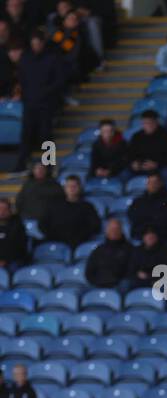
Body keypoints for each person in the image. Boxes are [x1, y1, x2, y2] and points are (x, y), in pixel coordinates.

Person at [16, 30, 66, 168]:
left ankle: (49, 164)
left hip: (46, 104)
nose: (36, 46)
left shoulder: (52, 58)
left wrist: (46, 92)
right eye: (34, 44)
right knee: (26, 134)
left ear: (43, 44)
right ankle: (22, 164)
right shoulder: (25, 58)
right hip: (29, 103)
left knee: (46, 135)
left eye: (38, 43)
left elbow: (60, 80)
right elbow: (22, 78)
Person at [39, 174, 100, 248]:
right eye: (69, 186)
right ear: (65, 188)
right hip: (55, 242)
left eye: (74, 186)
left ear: (80, 188)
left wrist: (79, 238)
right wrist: (53, 237)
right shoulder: (54, 205)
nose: (71, 188)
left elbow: (95, 226)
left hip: (79, 244)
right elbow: (42, 224)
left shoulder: (87, 207)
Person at [126, 109, 167, 176]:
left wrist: (157, 164)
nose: (148, 125)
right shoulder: (137, 136)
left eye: (150, 122)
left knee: (166, 172)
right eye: (145, 123)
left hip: (160, 167)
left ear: (156, 122)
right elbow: (130, 153)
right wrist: (133, 163)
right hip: (141, 167)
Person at [126, 171, 167, 241]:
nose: (152, 185)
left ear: (160, 184)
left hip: (159, 237)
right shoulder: (138, 201)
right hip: (139, 235)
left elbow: (163, 221)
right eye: (150, 182)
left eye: (155, 182)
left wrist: (146, 222)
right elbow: (133, 216)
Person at [85, 216, 132, 289]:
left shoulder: (129, 249)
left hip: (118, 285)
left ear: (121, 230)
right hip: (98, 284)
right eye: (111, 229)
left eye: (116, 229)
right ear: (106, 231)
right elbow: (89, 271)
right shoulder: (99, 250)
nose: (113, 231)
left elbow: (130, 271)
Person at [0, 197, 28, 269]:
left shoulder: (17, 225)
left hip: (12, 261)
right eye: (0, 209)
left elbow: (17, 248)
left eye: (5, 209)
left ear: (10, 211)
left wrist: (5, 260)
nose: (2, 212)